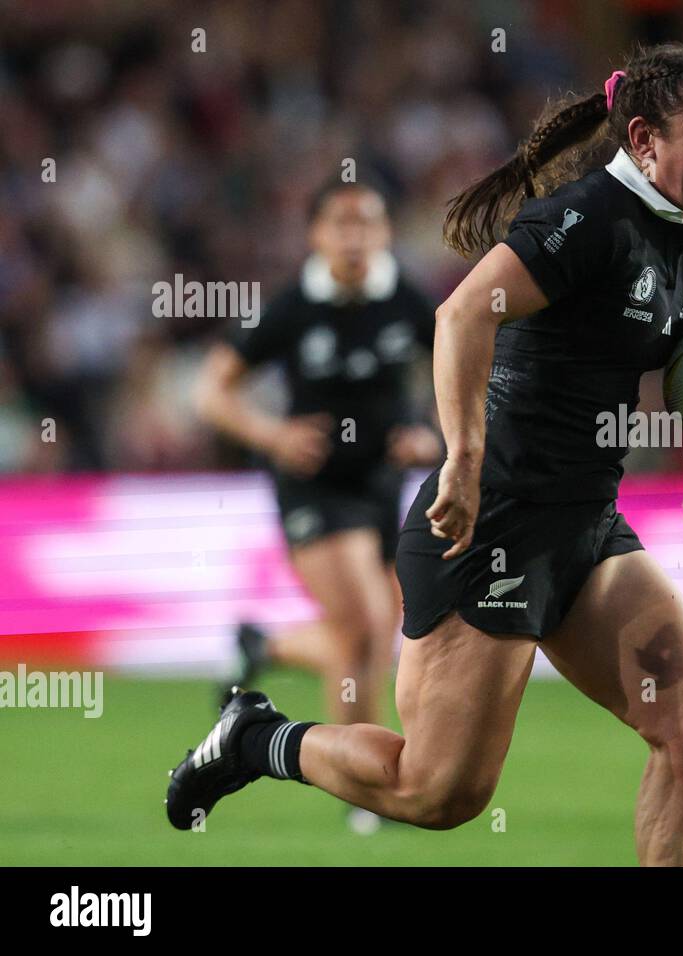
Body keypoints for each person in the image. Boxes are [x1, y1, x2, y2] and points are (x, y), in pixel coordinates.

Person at [167, 42, 683, 865]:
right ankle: (258, 738)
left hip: (586, 531)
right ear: (646, 139)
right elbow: (463, 315)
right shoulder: (586, 219)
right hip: (491, 526)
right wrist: (464, 462)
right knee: (436, 793)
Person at [189, 178, 441, 831]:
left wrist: (432, 436)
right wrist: (272, 433)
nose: (355, 236)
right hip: (316, 486)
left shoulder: (406, 299)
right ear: (316, 235)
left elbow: (460, 367)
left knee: (376, 632)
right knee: (362, 622)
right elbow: (212, 391)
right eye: (341, 223)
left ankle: (263, 646)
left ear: (385, 233)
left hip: (383, 485)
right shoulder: (296, 306)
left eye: (368, 223)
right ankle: (363, 787)